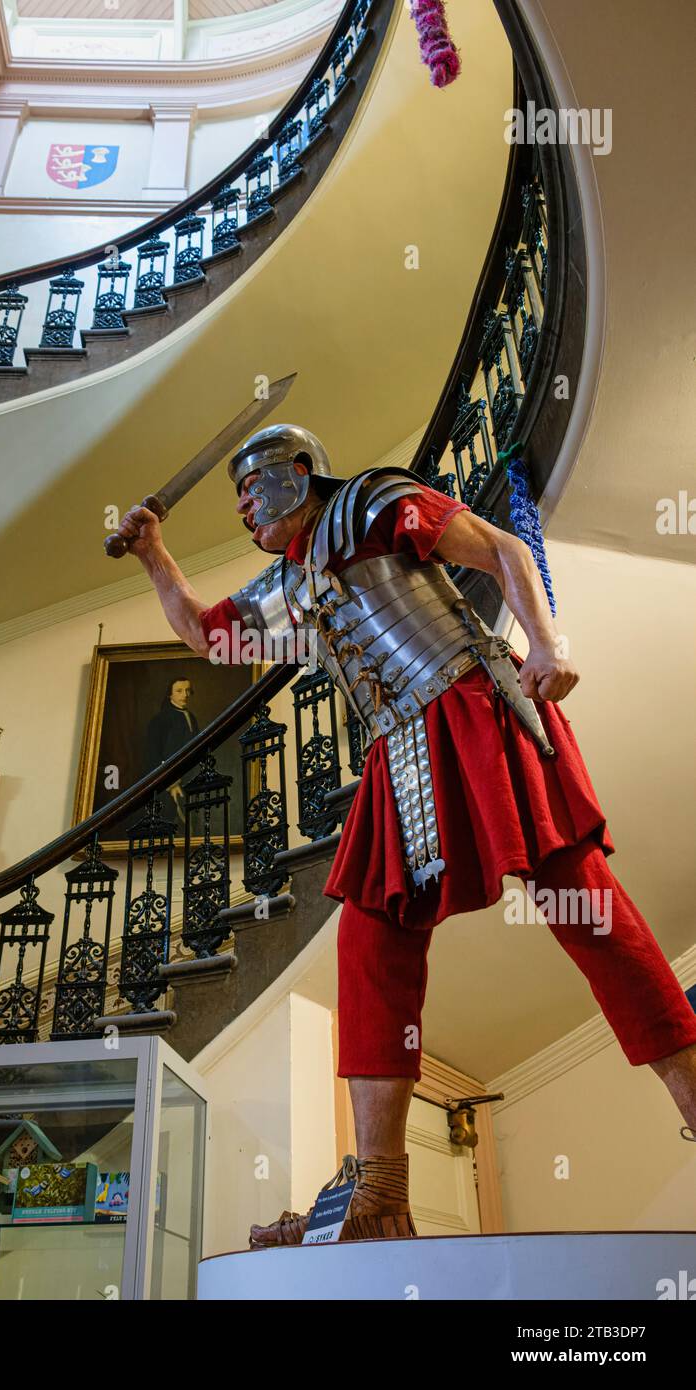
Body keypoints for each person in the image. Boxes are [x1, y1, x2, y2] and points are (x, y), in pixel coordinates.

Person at [106, 424, 696, 1247]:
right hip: (398, 745)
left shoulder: (373, 502)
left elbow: (499, 551)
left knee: (581, 903)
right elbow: (208, 636)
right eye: (234, 493)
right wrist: (152, 555)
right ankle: (380, 1195)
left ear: (301, 472)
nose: (243, 505)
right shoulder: (289, 582)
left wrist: (548, 646)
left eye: (253, 484)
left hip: (470, 703)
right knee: (371, 942)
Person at [143, 676, 199, 826]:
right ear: (170, 694)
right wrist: (171, 782)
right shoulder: (160, 720)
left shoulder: (191, 717)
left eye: (187, 690)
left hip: (189, 778)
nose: (185, 695)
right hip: (168, 783)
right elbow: (153, 754)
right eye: (179, 691)